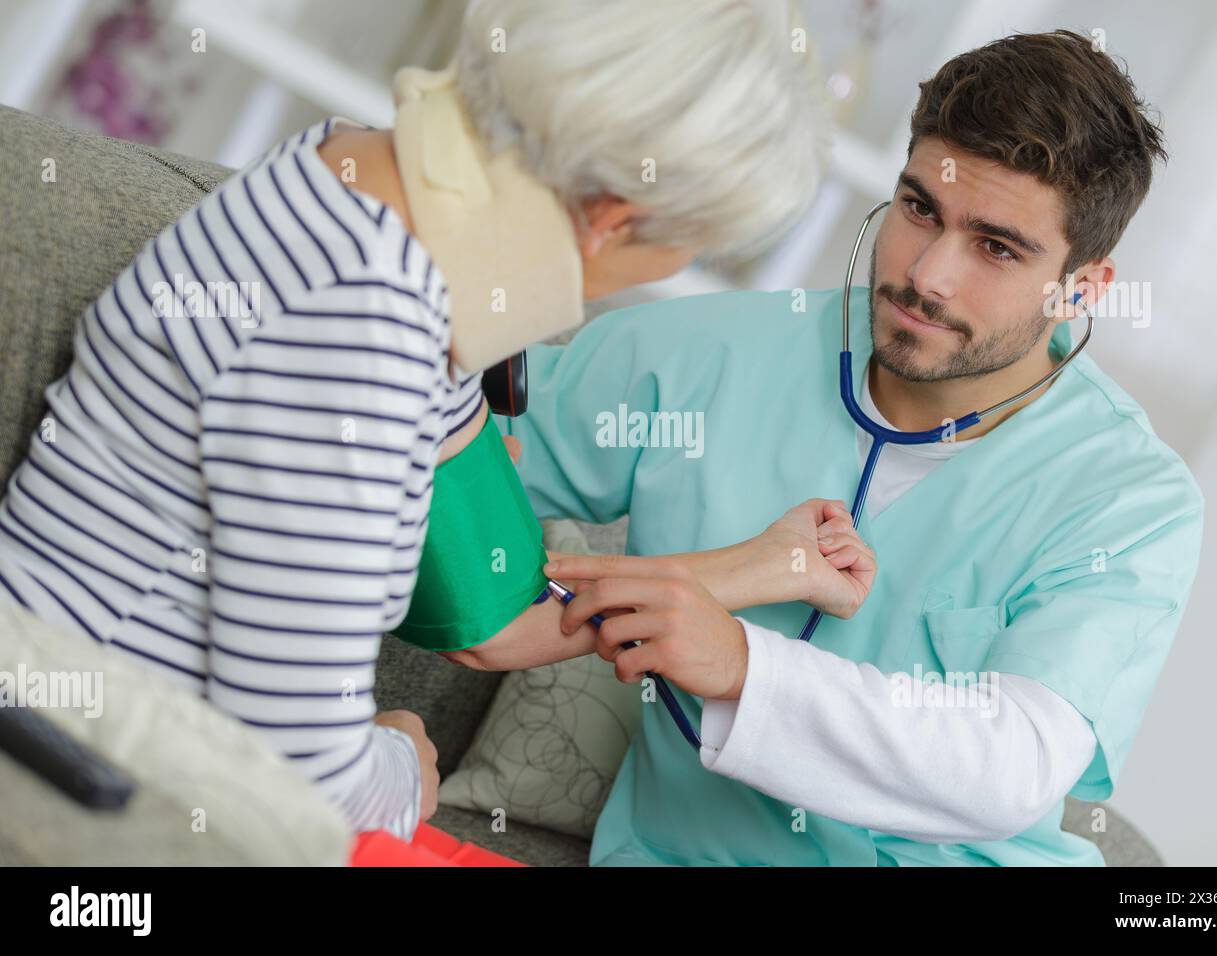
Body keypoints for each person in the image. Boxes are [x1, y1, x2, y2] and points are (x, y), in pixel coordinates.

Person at [0, 0, 841, 840]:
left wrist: (753, 569)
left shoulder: (352, 180)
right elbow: (301, 768)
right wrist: (400, 763)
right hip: (73, 757)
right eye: (678, 248)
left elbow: (492, 601)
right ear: (612, 217)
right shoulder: (366, 326)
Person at [491, 30, 1205, 866]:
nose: (929, 276)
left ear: (1082, 287)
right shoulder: (698, 356)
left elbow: (1013, 766)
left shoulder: (1129, 498)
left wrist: (744, 668)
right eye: (918, 210)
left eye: (996, 247)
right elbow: (438, 444)